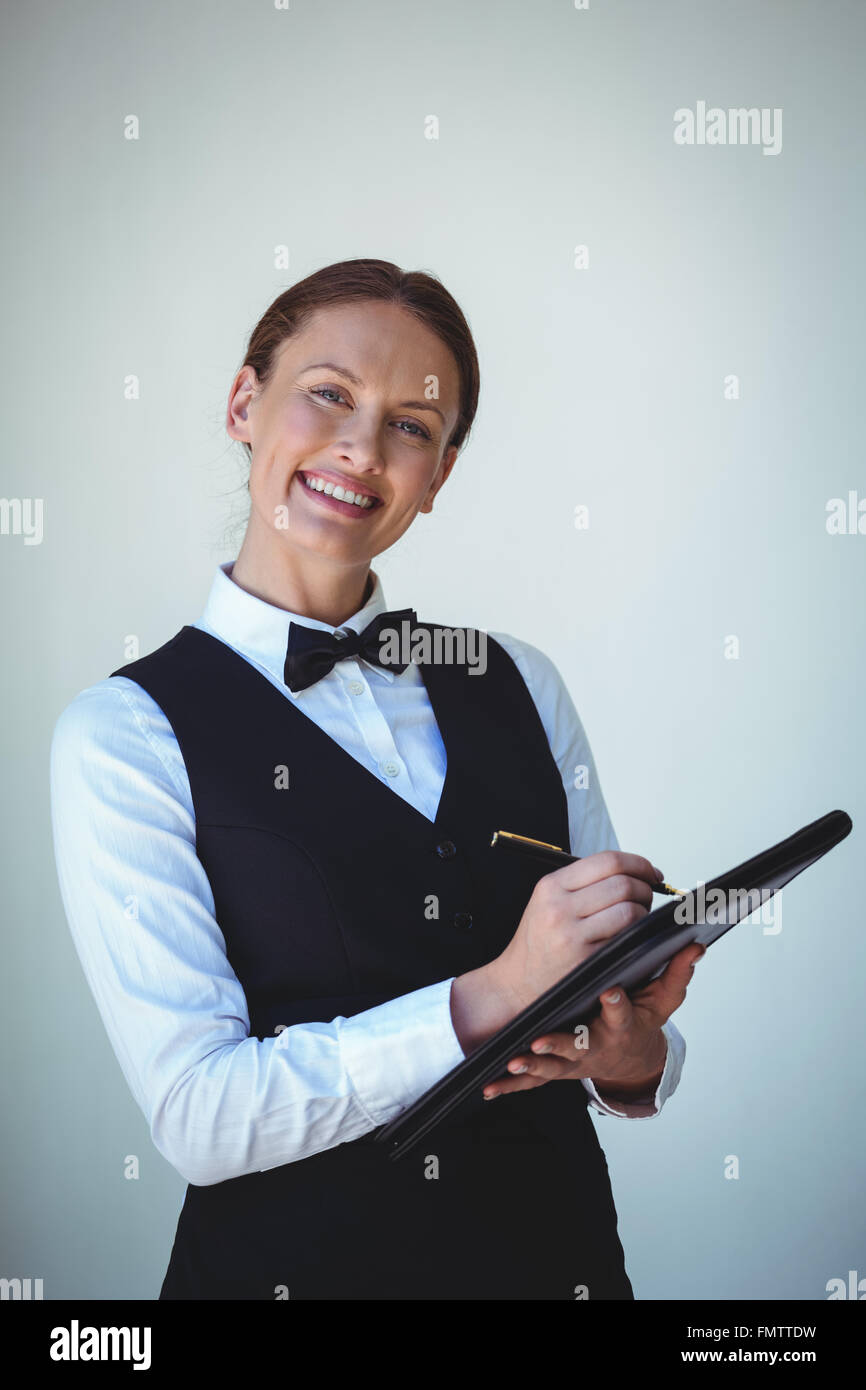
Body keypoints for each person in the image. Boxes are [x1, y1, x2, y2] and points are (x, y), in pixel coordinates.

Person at [50, 258, 703, 1301]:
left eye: (411, 423)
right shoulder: (124, 734)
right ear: (242, 403)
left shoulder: (520, 682)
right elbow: (199, 1117)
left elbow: (617, 1040)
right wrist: (492, 992)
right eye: (329, 394)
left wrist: (631, 1055)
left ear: (437, 474)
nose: (360, 446)